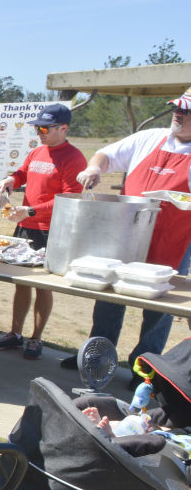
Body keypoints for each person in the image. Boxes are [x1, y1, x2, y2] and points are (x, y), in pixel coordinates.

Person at [61, 87, 191, 373]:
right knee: (109, 293)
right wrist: (96, 168)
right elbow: (106, 154)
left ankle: (144, 366)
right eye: (176, 109)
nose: (178, 114)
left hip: (172, 237)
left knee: (159, 305)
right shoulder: (151, 137)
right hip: (126, 233)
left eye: (186, 111)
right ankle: (96, 357)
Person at [0, 103, 86, 360]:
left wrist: (31, 211)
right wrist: (11, 179)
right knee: (20, 283)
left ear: (63, 128)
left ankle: (36, 338)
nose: (39, 132)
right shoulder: (37, 151)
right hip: (25, 225)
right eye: (37, 128)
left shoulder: (73, 158)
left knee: (43, 286)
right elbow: (23, 173)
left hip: (50, 229)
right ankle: (15, 333)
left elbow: (69, 197)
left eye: (45, 128)